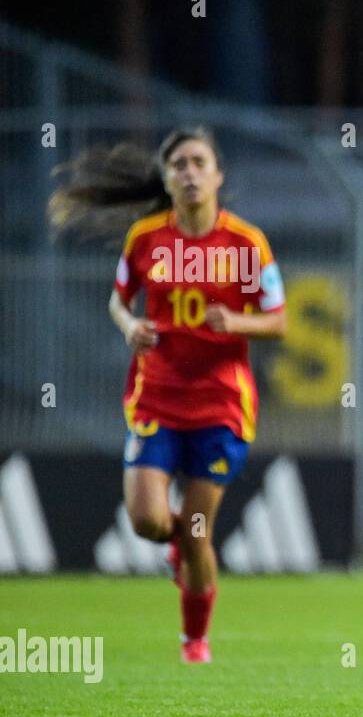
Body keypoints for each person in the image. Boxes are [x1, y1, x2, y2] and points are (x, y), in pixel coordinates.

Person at [48, 126, 286, 662]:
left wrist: (237, 324)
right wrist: (127, 325)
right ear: (167, 178)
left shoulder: (247, 245)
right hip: (156, 398)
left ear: (218, 175)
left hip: (221, 406)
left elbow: (280, 320)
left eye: (200, 162)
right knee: (148, 522)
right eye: (179, 164)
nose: (190, 172)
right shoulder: (146, 239)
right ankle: (177, 549)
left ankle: (194, 640)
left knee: (198, 532)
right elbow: (117, 299)